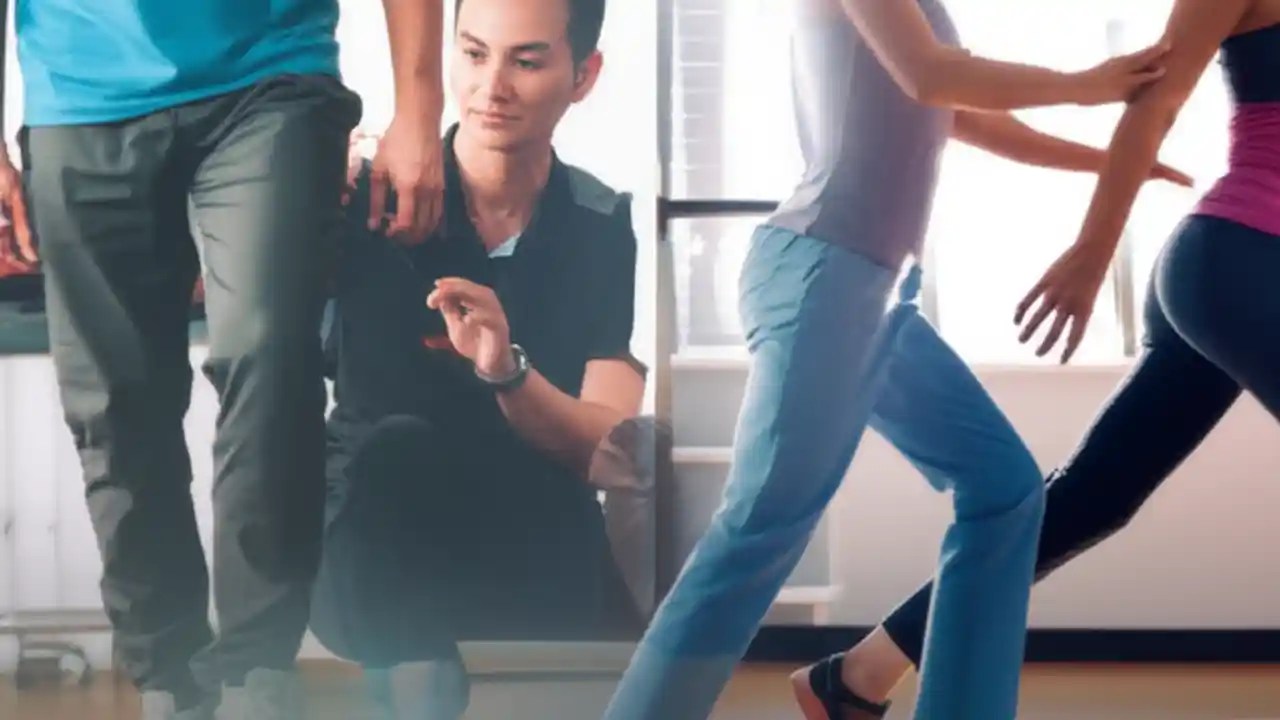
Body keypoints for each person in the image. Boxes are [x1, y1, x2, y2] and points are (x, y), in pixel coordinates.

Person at [601, 1, 1178, 719]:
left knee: (1005, 490)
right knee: (760, 528)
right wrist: (1084, 84)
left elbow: (963, 114)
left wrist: (1115, 163)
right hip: (823, 275)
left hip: (877, 294)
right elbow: (935, 76)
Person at [797, 1, 1280, 717]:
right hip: (1237, 260)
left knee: (1095, 496)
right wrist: (1091, 251)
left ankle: (856, 677)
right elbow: (1153, 106)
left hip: (1241, 271)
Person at [0, 0, 448, 718]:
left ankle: (255, 674)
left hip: (270, 72)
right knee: (114, 404)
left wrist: (421, 103)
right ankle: (169, 684)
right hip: (79, 88)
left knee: (269, 356)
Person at [307, 0, 648, 717]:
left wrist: (506, 372)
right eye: (472, 54)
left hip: (520, 526)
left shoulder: (599, 222)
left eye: (526, 61)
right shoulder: (366, 199)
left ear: (583, 75)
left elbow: (608, 448)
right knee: (399, 451)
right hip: (379, 525)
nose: (493, 85)